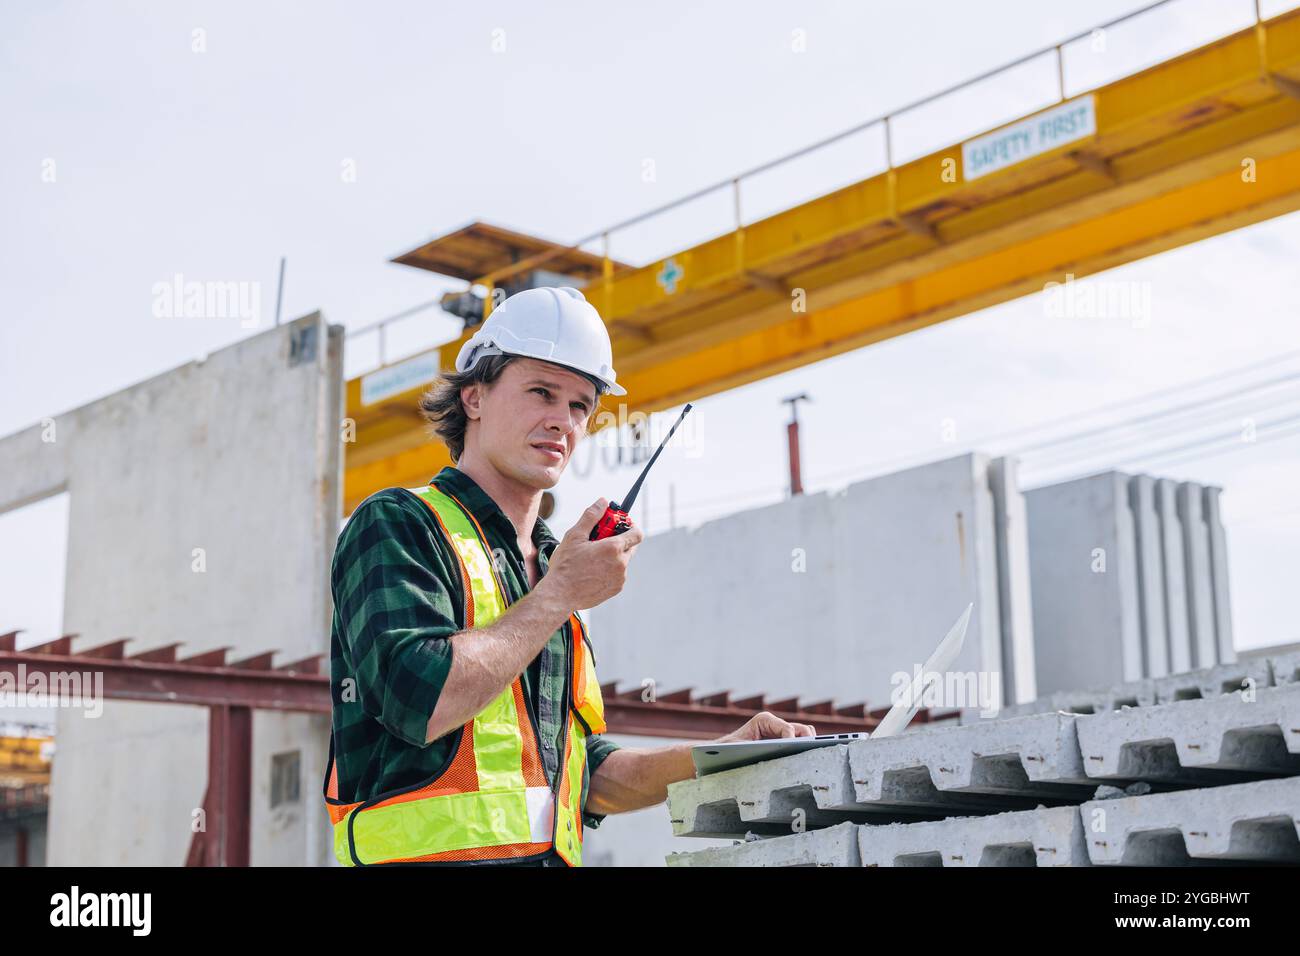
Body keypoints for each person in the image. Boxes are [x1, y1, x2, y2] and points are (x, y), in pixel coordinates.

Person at [323, 286, 814, 866]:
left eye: (580, 405)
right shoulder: (401, 522)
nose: (562, 421)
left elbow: (586, 778)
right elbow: (418, 699)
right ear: (474, 398)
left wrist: (724, 753)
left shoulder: (556, 565)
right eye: (541, 392)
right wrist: (557, 594)